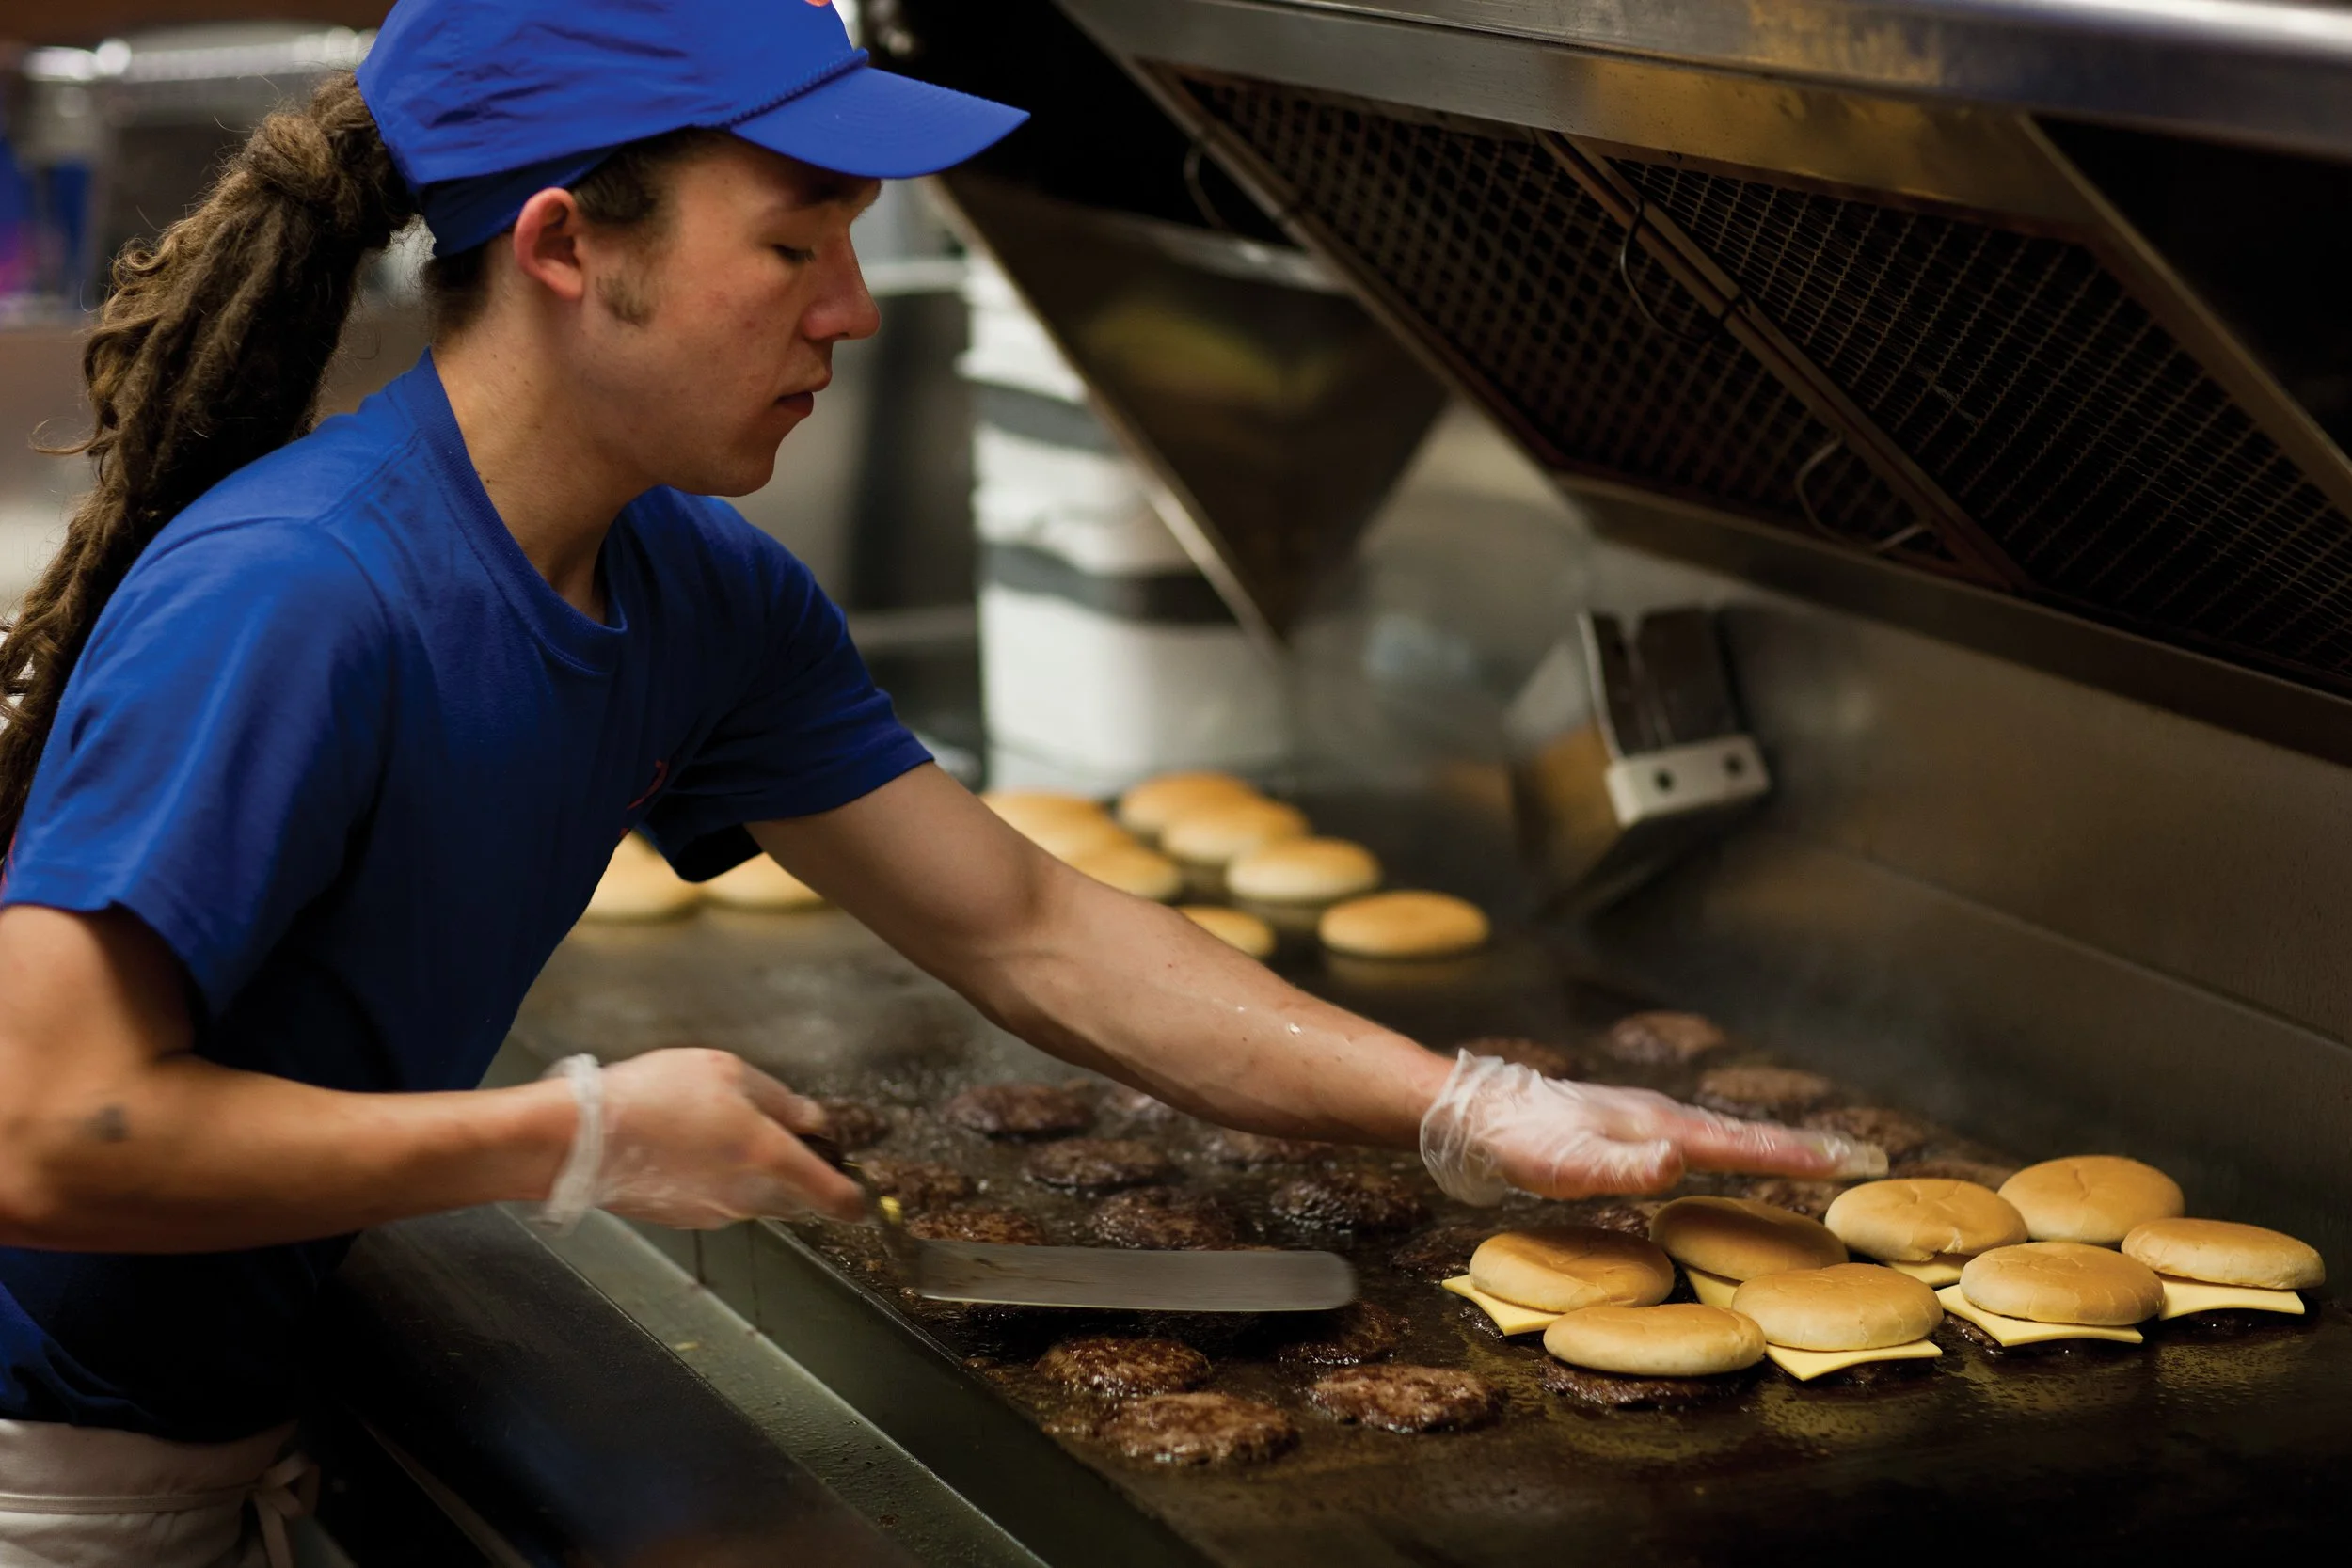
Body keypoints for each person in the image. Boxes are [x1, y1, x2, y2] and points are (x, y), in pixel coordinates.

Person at [0, 2, 1876, 1561]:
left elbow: (1034, 924)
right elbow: (41, 1131)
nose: (853, 308)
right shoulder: (301, 596)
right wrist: (568, 1133)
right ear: (570, 248)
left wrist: (1466, 1105)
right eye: (795, 243)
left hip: (214, 1419)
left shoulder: (691, 587)